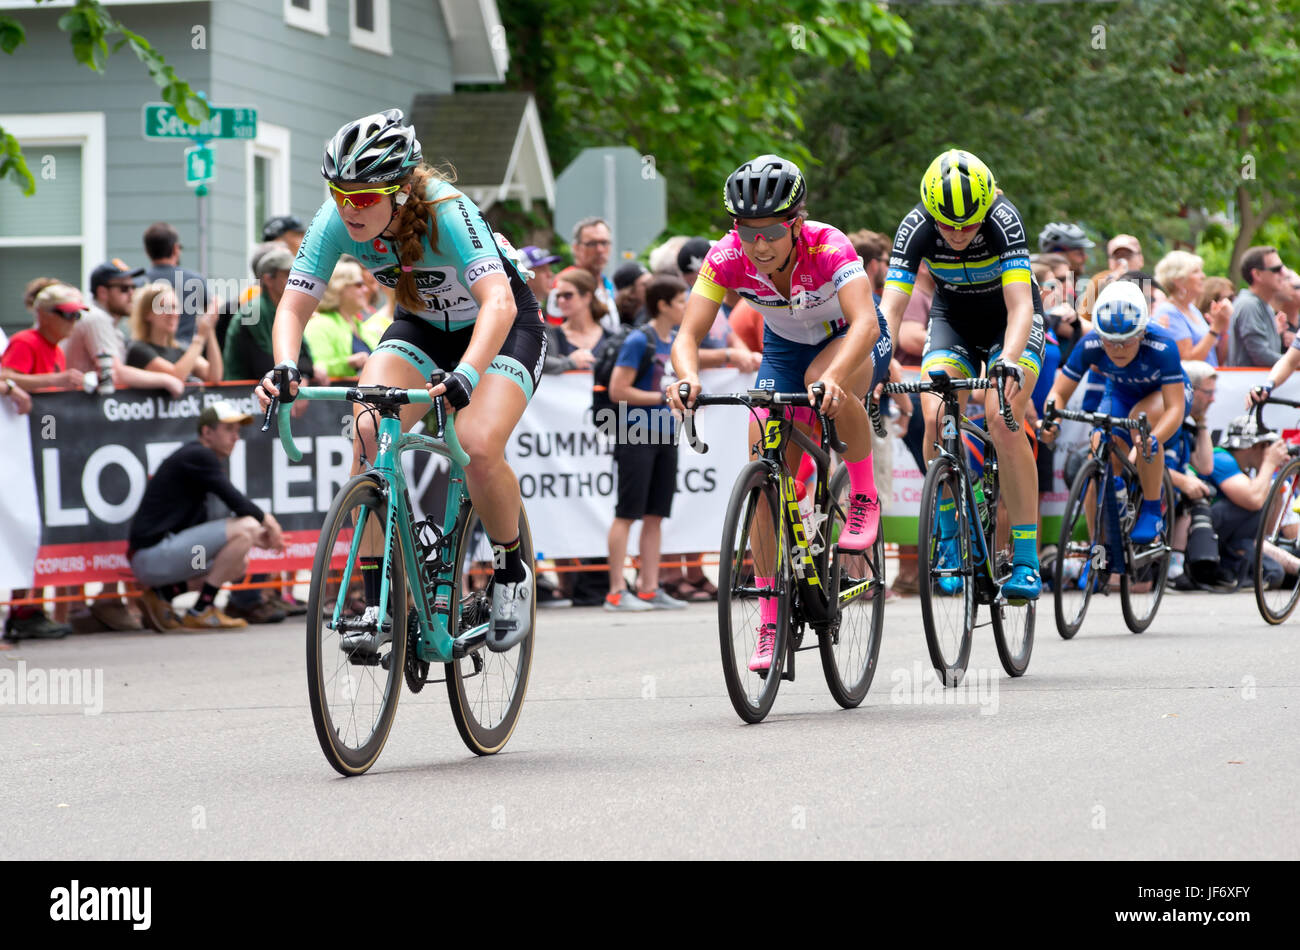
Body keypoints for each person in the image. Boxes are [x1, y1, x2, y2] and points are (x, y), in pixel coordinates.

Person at [258, 109, 546, 653]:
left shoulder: (446, 209)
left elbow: (499, 302)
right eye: (341, 195)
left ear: (400, 192)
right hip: (420, 328)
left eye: (365, 199)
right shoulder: (332, 220)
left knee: (477, 444)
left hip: (501, 329)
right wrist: (285, 365)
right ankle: (379, 602)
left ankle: (511, 569)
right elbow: (293, 308)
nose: (350, 209)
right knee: (367, 435)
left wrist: (467, 373)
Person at [670, 154, 891, 670]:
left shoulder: (830, 244)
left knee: (823, 382)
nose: (759, 244)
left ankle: (862, 492)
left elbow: (866, 323)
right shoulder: (726, 257)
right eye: (747, 232)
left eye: (770, 231)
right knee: (762, 452)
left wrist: (836, 376)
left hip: (852, 338)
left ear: (795, 224)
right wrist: (687, 376)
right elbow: (687, 336)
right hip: (785, 350)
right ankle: (771, 612)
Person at [878, 149, 1044, 599]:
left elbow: (1021, 305)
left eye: (968, 224)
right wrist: (877, 360)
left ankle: (1026, 557)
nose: (956, 234)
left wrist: (1008, 358)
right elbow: (891, 308)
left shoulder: (1003, 219)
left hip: (1009, 324)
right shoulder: (915, 226)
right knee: (933, 416)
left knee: (1001, 417)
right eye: (947, 225)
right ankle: (951, 531)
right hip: (953, 320)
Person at [1041, 280, 1189, 546]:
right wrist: (1053, 418)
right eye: (1110, 342)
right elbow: (1059, 393)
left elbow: (1175, 408)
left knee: (1141, 424)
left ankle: (1152, 510)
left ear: (1142, 333)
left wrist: (1155, 438)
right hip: (1121, 393)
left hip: (1163, 398)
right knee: (1098, 452)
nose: (1118, 349)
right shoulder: (1090, 344)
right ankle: (1098, 547)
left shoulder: (1163, 346)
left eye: (1126, 341)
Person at [128, 402, 285, 630]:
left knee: (239, 563)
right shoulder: (198, 454)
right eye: (228, 429)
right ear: (207, 432)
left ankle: (162, 595)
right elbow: (237, 503)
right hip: (151, 556)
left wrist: (251, 538)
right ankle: (201, 609)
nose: (235, 437)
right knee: (248, 525)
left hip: (154, 558)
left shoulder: (198, 456)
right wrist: (268, 523)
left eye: (237, 431)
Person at [1, 284, 90, 641]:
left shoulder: (55, 349)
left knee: (42, 529)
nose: (73, 321)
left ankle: (32, 607)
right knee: (27, 528)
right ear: (43, 315)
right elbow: (4, 376)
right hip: (24, 455)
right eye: (66, 314)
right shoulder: (26, 341)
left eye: (77, 314)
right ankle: (23, 610)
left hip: (44, 452)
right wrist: (56, 380)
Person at [605, 275, 691, 611]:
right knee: (627, 513)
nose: (686, 307)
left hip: (666, 432)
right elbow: (618, 390)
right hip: (635, 432)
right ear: (663, 304)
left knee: (656, 513)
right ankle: (615, 591)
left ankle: (649, 587)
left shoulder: (676, 340)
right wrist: (661, 395)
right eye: (681, 301)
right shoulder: (640, 341)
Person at [1195, 415, 1292, 589]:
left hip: (1229, 539)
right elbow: (1254, 501)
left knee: (1275, 573)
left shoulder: (1244, 474)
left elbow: (1267, 530)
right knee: (1255, 504)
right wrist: (1269, 464)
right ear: (1252, 446)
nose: (1268, 453)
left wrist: (1277, 488)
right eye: (1265, 447)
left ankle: (1230, 567)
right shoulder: (1220, 458)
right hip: (1200, 531)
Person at [127, 281, 224, 383]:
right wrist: (200, 338)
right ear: (147, 314)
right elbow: (176, 376)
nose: (173, 314)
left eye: (175, 307)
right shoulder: (138, 349)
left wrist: (210, 328)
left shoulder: (180, 350)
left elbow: (214, 376)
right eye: (164, 307)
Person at [1152, 250, 1230, 366]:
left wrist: (1223, 329)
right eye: (1195, 272)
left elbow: (1216, 359)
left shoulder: (1192, 309)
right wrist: (1215, 329)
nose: (1203, 276)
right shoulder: (1168, 312)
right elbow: (1188, 361)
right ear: (1178, 280)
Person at [143, 221, 210, 346]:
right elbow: (211, 313)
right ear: (175, 249)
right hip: (188, 352)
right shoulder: (195, 280)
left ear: (147, 251)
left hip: (150, 352)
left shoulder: (140, 282)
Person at [302, 259, 372, 378]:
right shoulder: (319, 325)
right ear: (338, 287)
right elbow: (317, 370)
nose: (366, 289)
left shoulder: (362, 326)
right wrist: (347, 363)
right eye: (359, 284)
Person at [1228, 245, 1288, 367]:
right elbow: (1261, 356)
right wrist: (1293, 362)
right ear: (1257, 274)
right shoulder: (1249, 305)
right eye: (1277, 269)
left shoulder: (1262, 305)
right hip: (1247, 383)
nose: (1284, 273)